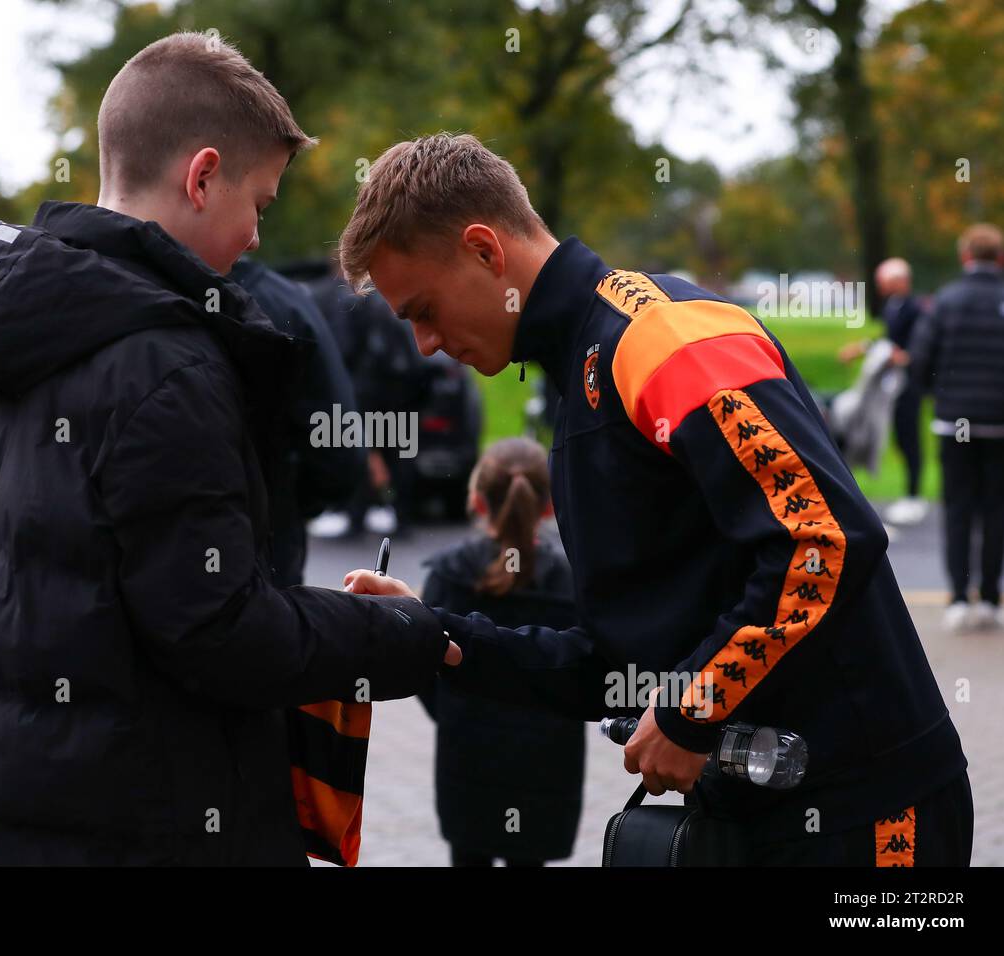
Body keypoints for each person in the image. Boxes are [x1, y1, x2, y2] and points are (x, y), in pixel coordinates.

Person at [340, 133, 971, 866]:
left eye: (422, 309)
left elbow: (823, 539)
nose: (422, 344)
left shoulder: (661, 335)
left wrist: (691, 707)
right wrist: (431, 634)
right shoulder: (579, 368)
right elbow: (615, 661)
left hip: (867, 813)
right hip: (759, 812)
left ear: (485, 251)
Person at [0, 33, 456, 866]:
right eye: (259, 202)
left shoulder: (0, 338)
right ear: (201, 176)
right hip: (145, 822)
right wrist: (396, 634)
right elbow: (219, 630)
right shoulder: (166, 364)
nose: (254, 237)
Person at [417, 437, 584, 867]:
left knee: (468, 856)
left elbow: (419, 657)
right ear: (548, 506)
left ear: (476, 499)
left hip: (467, 751)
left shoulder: (450, 575)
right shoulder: (572, 580)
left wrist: (453, 708)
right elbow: (585, 663)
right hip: (547, 757)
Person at [229, 256, 364, 586]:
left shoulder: (123, 289)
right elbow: (340, 445)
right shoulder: (283, 302)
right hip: (267, 544)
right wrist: (288, 499)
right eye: (258, 209)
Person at [910, 223, 1004, 633]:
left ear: (965, 256)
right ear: (1001, 258)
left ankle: (956, 596)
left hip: (954, 424)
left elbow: (920, 361)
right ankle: (989, 596)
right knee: (997, 510)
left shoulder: (945, 302)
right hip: (1003, 425)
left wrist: (941, 396)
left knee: (957, 511)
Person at [838, 257, 926, 526]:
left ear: (900, 280)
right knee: (889, 434)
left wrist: (906, 356)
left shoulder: (915, 309)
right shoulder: (893, 307)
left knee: (908, 436)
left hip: (908, 385)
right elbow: (889, 339)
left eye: (884, 281)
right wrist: (864, 347)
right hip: (889, 385)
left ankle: (914, 496)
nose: (880, 286)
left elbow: (918, 345)